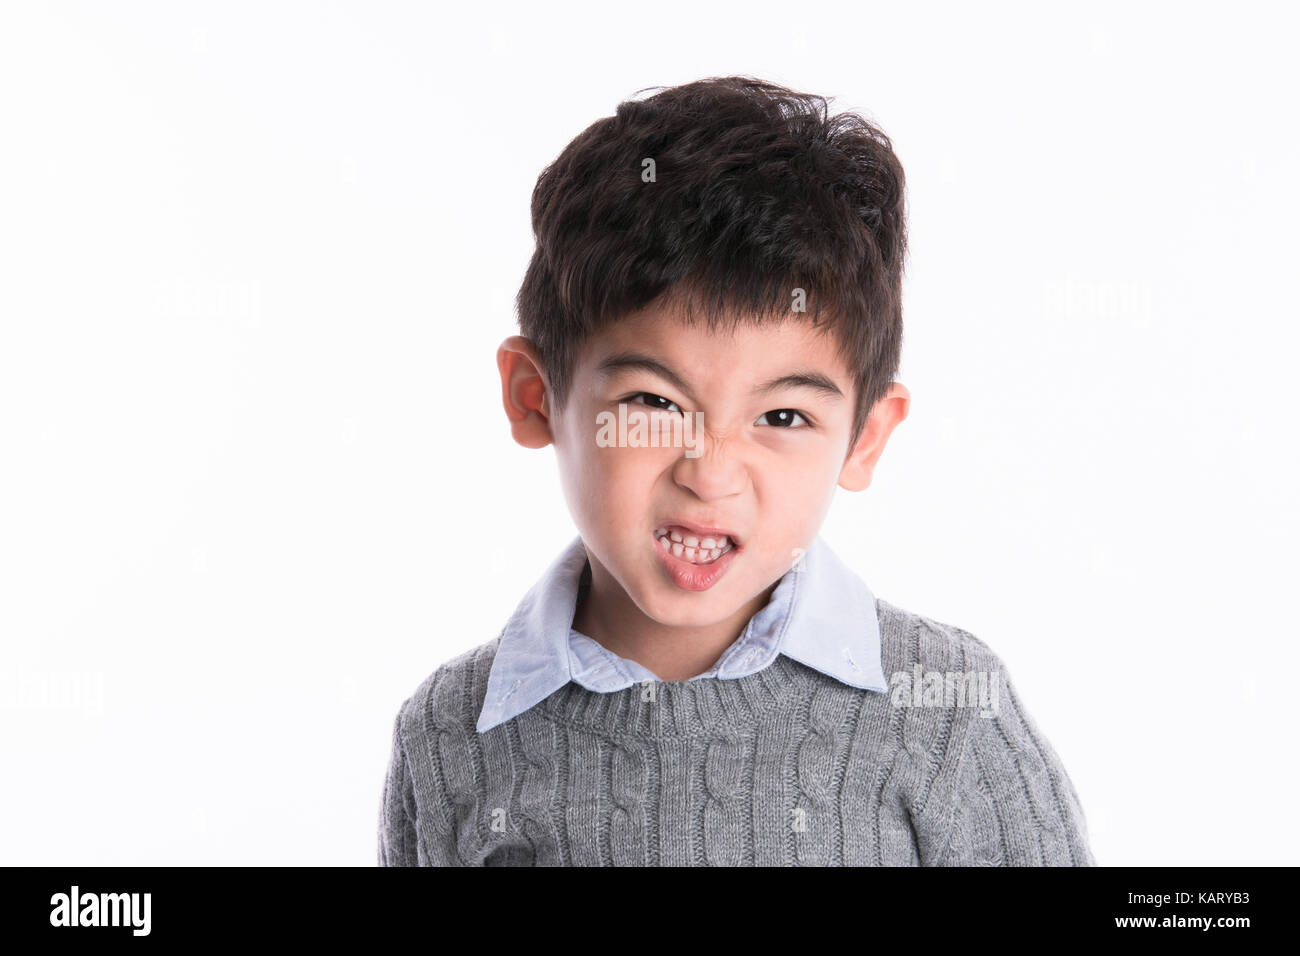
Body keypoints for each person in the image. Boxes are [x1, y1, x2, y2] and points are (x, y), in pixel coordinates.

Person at [378, 76, 1094, 866]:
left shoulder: (948, 711)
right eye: (654, 401)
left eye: (782, 418)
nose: (711, 473)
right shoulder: (449, 735)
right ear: (534, 397)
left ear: (864, 438)